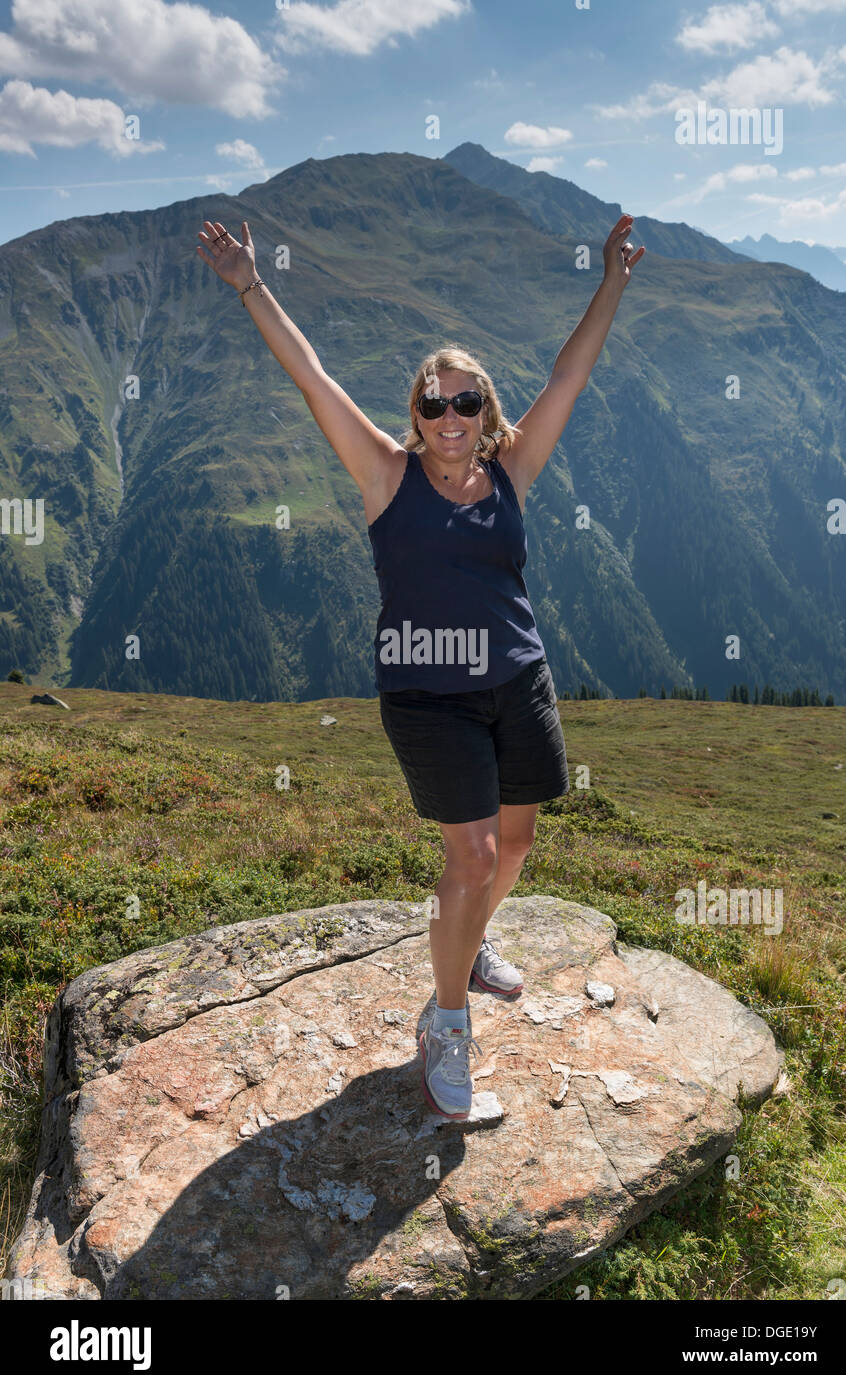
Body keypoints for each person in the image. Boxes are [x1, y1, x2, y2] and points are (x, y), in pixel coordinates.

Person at [196, 210, 644, 1120]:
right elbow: (312, 374)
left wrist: (612, 283)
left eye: (464, 402)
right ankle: (445, 1024)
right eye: (432, 404)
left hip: (517, 681)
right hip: (426, 696)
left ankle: (469, 948)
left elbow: (571, 373)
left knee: (514, 847)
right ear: (414, 413)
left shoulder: (513, 469)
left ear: (485, 410)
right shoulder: (384, 477)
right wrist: (250, 284)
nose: (448, 417)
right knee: (471, 853)